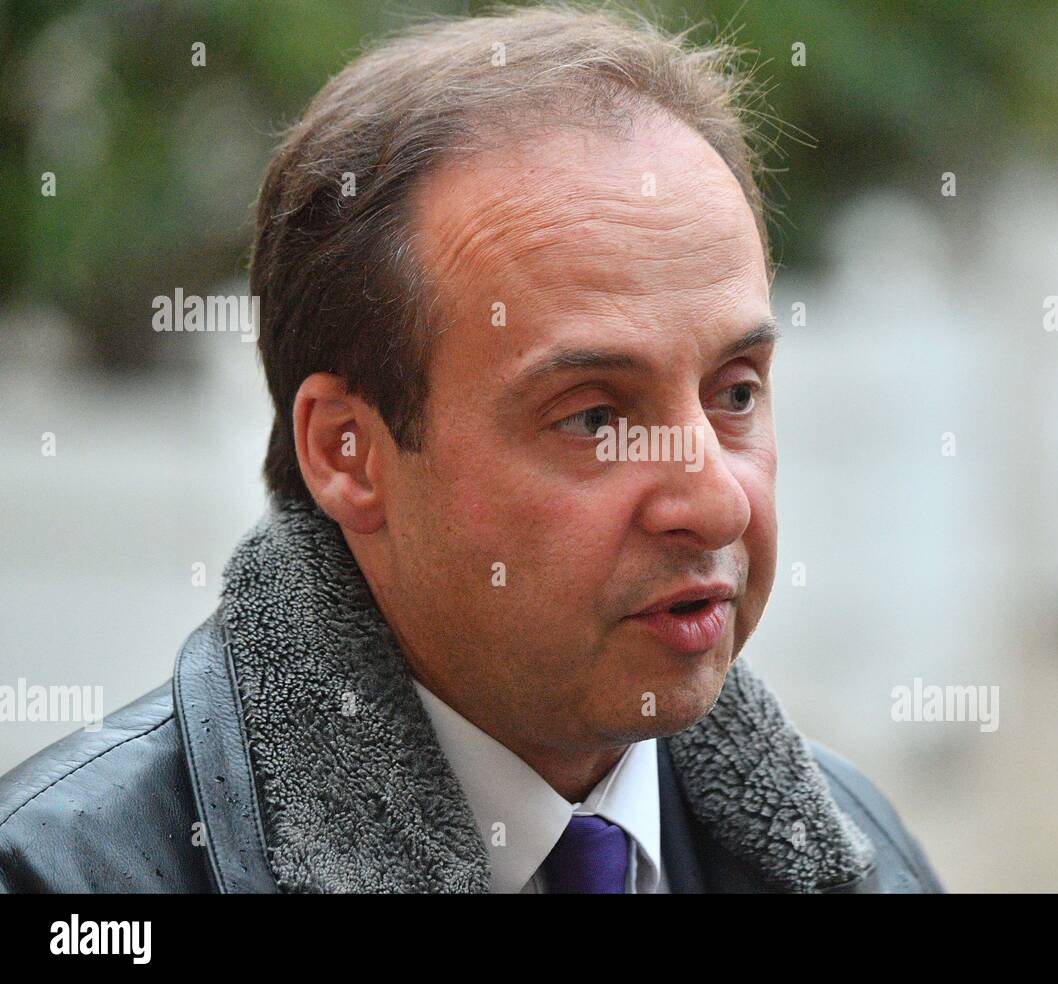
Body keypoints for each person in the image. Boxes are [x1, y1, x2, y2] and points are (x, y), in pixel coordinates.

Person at [0, 2, 941, 894]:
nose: (718, 503)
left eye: (736, 394)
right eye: (595, 419)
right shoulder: (72, 873)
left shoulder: (855, 855)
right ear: (348, 453)